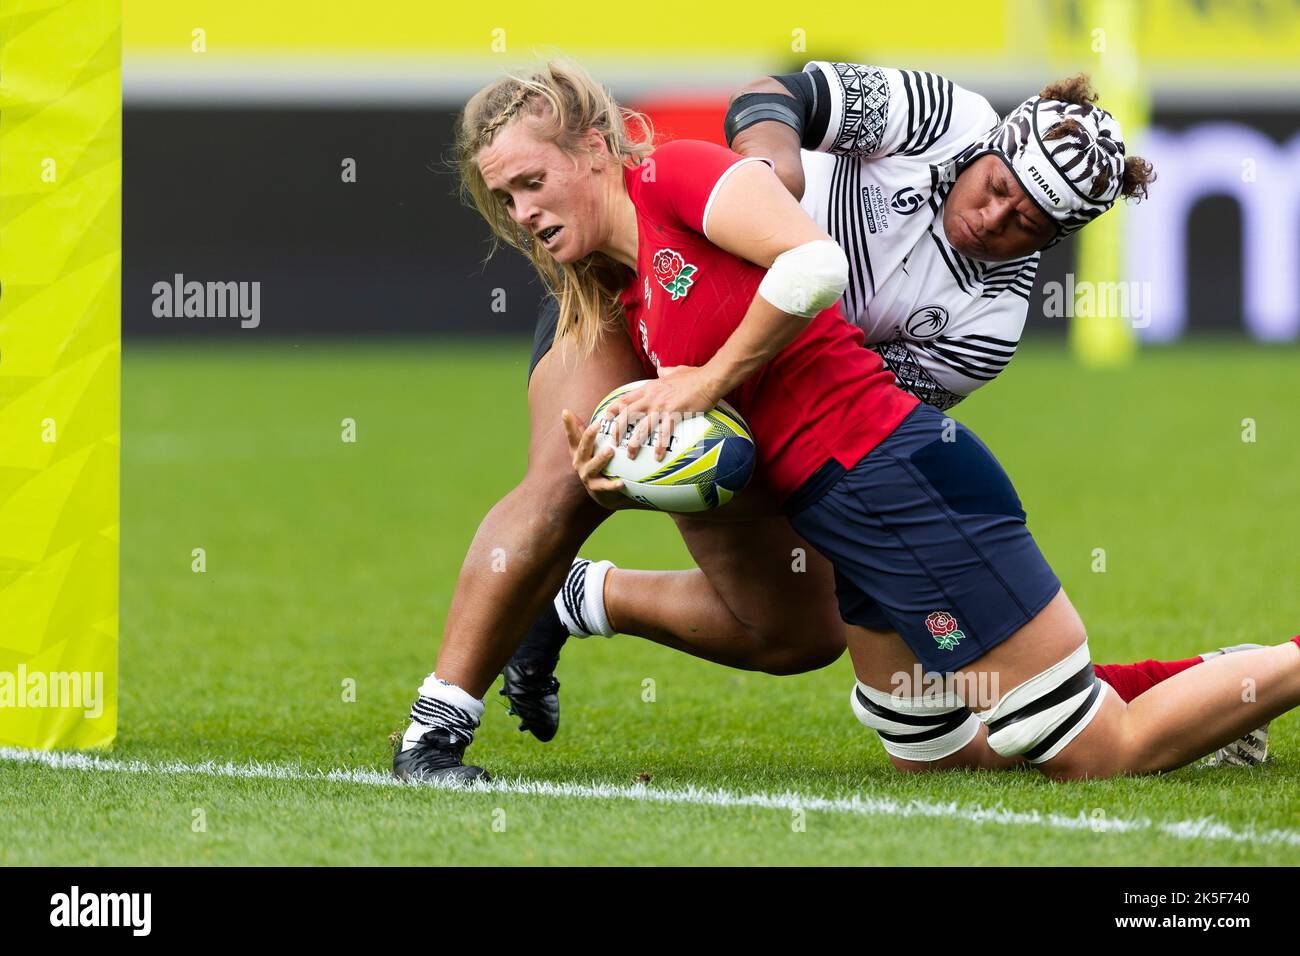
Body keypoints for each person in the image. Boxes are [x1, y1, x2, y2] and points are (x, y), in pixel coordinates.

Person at [394, 60, 1292, 784]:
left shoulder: (985, 326)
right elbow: (779, 96)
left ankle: (1237, 678)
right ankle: (437, 727)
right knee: (938, 741)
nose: (996, 218)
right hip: (725, 353)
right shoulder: (930, 117)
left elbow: (837, 398)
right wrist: (769, 180)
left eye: (1029, 224)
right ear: (988, 148)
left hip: (857, 458)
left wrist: (703, 396)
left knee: (823, 643)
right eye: (997, 189)